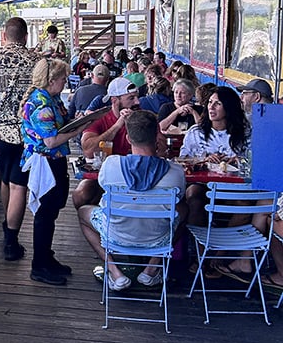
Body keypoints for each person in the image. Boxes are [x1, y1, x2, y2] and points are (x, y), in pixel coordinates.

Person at [77, 110, 186, 290]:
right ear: (156, 137)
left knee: (83, 212)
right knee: (183, 210)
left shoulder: (111, 165)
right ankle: (151, 269)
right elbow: (179, 197)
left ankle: (115, 272)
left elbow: (102, 185)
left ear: (128, 138)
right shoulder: (175, 172)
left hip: (115, 236)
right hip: (157, 237)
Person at [20, 58, 83, 285]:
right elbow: (51, 140)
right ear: (51, 80)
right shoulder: (41, 104)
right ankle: (39, 266)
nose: (66, 82)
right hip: (45, 163)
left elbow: (61, 124)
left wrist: (76, 121)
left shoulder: (52, 99)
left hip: (55, 160)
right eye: (63, 79)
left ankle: (47, 257)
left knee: (52, 210)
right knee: (44, 214)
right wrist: (80, 128)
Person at [0, 17, 39, 260]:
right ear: (25, 37)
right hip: (25, 133)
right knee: (19, 185)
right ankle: (10, 242)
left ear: (4, 36)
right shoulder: (36, 61)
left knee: (5, 179)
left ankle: (8, 225)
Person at [180, 86, 249, 225]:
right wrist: (203, 160)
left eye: (217, 103)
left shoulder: (245, 133)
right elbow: (182, 160)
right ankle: (197, 237)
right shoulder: (196, 132)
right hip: (202, 184)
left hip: (233, 185)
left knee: (245, 204)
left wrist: (239, 160)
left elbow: (253, 161)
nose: (211, 107)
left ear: (229, 107)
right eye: (210, 102)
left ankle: (227, 237)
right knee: (193, 195)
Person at [71, 77, 141, 209]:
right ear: (115, 101)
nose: (137, 102)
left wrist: (136, 124)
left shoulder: (144, 117)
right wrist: (118, 125)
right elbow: (88, 150)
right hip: (105, 174)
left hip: (136, 174)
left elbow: (161, 148)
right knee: (81, 195)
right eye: (131, 98)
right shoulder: (99, 117)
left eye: (137, 97)